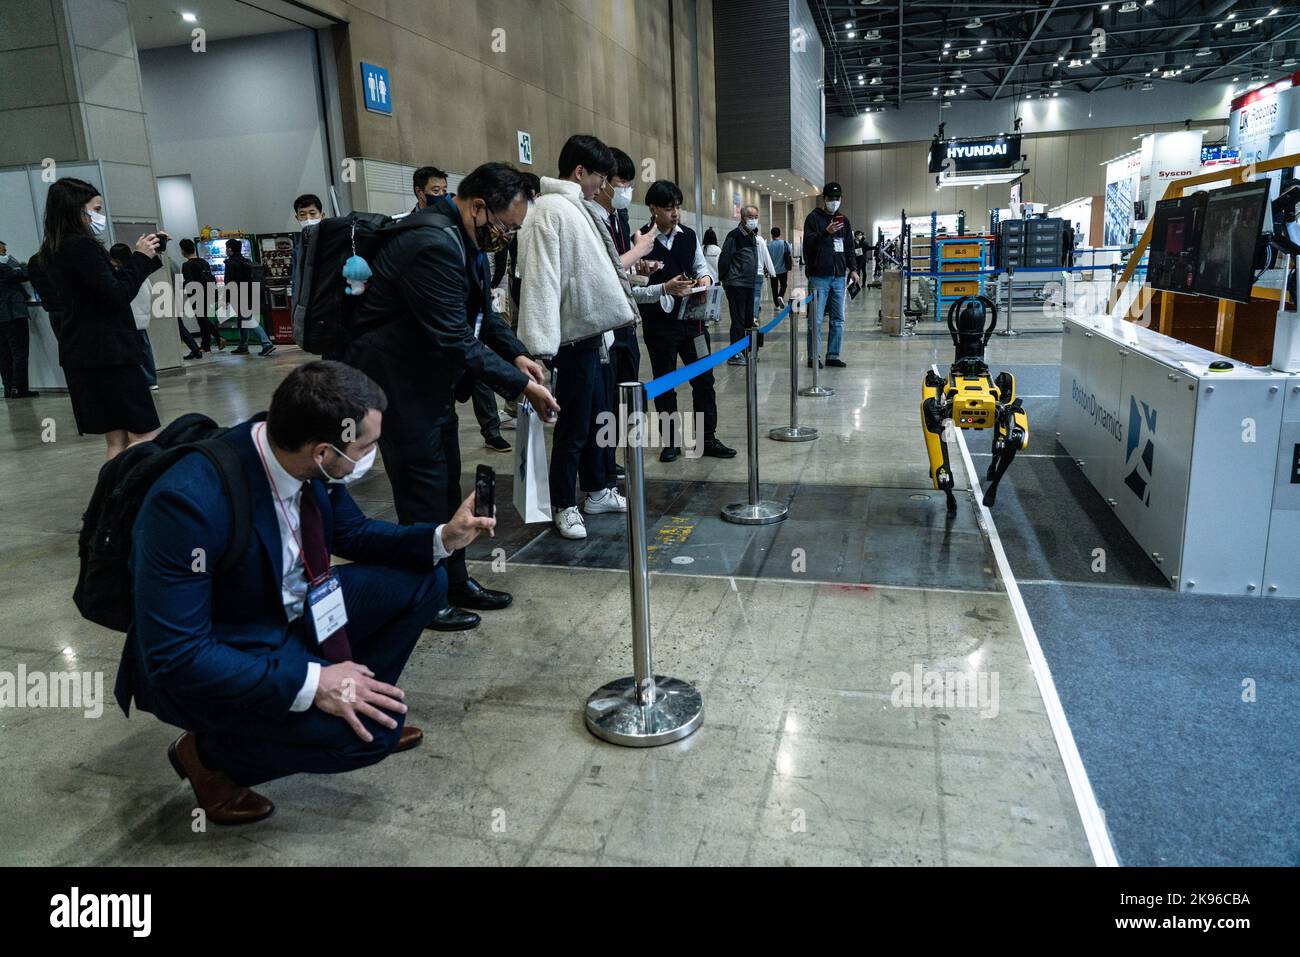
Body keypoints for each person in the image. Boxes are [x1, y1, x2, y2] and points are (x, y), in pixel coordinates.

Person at [115, 360, 497, 823]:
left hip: (296, 611)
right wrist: (313, 683)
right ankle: (209, 756)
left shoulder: (297, 454)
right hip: (232, 643)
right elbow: (176, 655)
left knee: (426, 580)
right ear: (323, 451)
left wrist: (442, 538)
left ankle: (359, 702)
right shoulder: (188, 503)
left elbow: (352, 534)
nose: (375, 453)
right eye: (368, 445)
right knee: (371, 741)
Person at [347, 162, 559, 632]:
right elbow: (454, 337)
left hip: (429, 383)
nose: (508, 235)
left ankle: (454, 581)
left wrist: (519, 356)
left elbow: (484, 314)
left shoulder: (466, 240)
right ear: (479, 206)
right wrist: (521, 385)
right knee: (422, 494)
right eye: (507, 225)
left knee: (445, 486)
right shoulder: (430, 244)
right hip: (398, 386)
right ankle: (426, 595)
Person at [516, 134, 652, 541]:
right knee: (573, 427)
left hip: (595, 335)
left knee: (595, 420)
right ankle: (564, 503)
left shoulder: (580, 208)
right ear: (579, 172)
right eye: (600, 177)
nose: (604, 186)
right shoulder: (549, 212)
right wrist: (538, 350)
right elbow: (540, 282)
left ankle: (595, 490)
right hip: (570, 341)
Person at [36, 177, 162, 459]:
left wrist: (142, 260)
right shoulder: (82, 247)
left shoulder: (53, 249)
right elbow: (116, 295)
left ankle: (113, 498)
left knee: (116, 440)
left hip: (84, 353)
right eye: (96, 208)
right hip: (110, 354)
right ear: (77, 210)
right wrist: (140, 258)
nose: (100, 216)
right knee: (144, 434)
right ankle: (136, 497)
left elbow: (102, 288)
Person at [637, 180, 735, 462]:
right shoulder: (641, 240)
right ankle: (670, 442)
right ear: (653, 208)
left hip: (694, 323)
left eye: (678, 207)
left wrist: (705, 278)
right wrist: (663, 288)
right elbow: (633, 288)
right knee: (665, 383)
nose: (675, 213)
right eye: (669, 208)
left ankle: (707, 438)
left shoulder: (689, 236)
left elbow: (701, 266)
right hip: (659, 326)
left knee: (704, 379)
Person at [491, 172, 541, 427]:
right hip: (517, 291)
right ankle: (513, 408)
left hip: (539, 299)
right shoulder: (513, 220)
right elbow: (502, 255)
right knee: (518, 349)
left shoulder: (541, 220)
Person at [802, 181, 859, 370]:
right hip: (819, 276)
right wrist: (825, 233)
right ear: (824, 199)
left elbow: (849, 247)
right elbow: (808, 245)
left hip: (839, 277)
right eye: (831, 198)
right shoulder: (813, 218)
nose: (834, 202)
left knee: (838, 319)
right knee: (815, 320)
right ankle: (813, 356)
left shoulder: (844, 220)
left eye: (837, 198)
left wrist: (853, 268)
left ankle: (833, 354)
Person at [719, 205, 775, 365]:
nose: (754, 219)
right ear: (743, 218)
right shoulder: (734, 236)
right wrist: (724, 279)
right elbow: (724, 259)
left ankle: (745, 352)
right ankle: (735, 354)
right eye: (751, 216)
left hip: (749, 284)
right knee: (738, 320)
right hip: (736, 284)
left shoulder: (752, 236)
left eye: (756, 216)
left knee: (748, 320)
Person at [109, 243, 159, 391]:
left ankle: (147, 380)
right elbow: (150, 292)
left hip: (132, 319)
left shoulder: (123, 275)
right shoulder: (139, 272)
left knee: (137, 352)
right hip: (143, 317)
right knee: (145, 350)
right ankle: (151, 380)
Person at [223, 239, 276, 357]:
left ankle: (267, 344)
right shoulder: (246, 261)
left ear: (230, 249)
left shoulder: (230, 263)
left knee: (247, 319)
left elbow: (229, 283)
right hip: (250, 293)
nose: (226, 250)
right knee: (242, 320)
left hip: (238, 295)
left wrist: (226, 299)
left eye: (226, 248)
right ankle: (243, 346)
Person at [0, 239, 38, 398]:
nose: (5, 254)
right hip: (13, 314)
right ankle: (18, 388)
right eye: (3, 252)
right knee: (19, 352)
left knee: (4, 353)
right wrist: (20, 264)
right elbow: (26, 273)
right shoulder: (4, 268)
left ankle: (9, 388)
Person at [178, 238, 224, 356]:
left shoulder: (186, 265)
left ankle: (206, 345)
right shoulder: (204, 262)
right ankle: (218, 338)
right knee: (204, 319)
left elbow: (190, 283)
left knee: (202, 321)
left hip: (197, 295)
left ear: (183, 251)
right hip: (209, 293)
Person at [767, 227, 791, 309]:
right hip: (783, 269)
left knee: (774, 287)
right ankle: (780, 296)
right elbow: (790, 252)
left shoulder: (769, 245)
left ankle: (776, 305)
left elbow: (767, 258)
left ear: (772, 235)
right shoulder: (784, 243)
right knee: (784, 285)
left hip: (772, 270)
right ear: (780, 234)